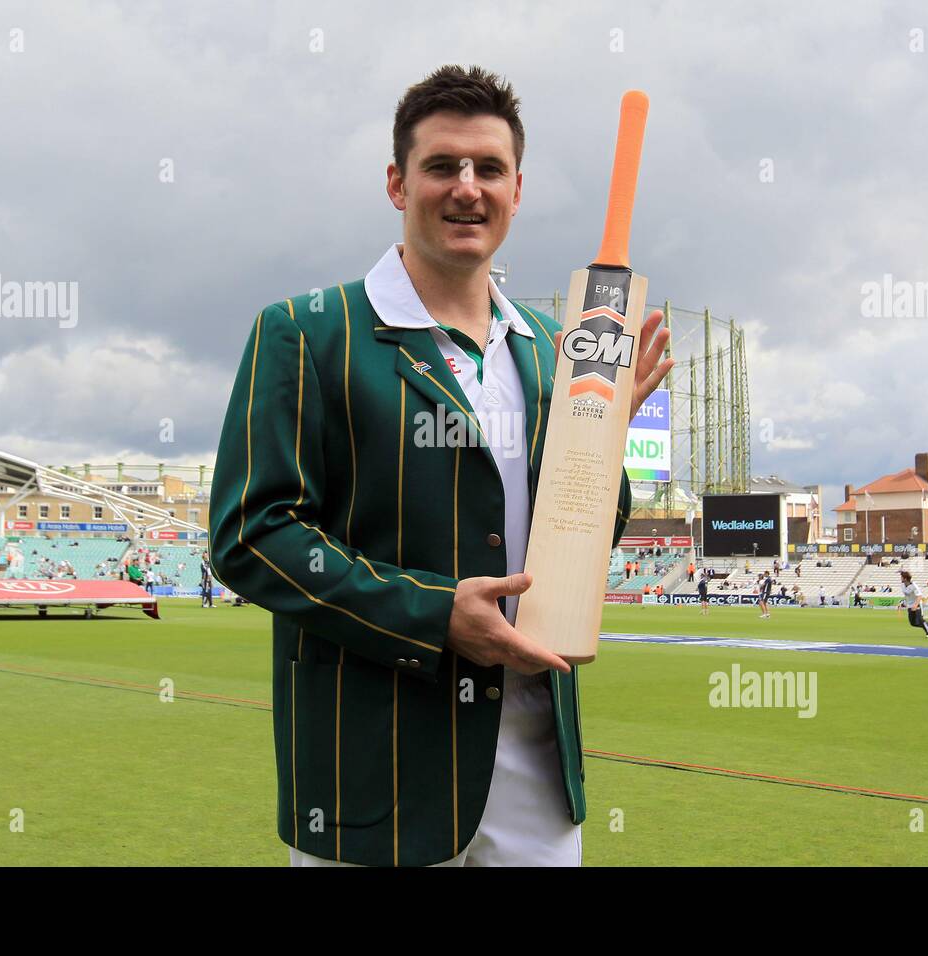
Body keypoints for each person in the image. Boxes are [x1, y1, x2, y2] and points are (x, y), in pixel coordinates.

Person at [207, 66, 670, 869]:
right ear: (397, 182)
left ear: (516, 191)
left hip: (535, 771)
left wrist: (600, 443)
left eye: (489, 169)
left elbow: (577, 540)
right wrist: (434, 615)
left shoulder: (552, 350)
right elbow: (250, 534)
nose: (468, 188)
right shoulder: (308, 332)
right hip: (372, 775)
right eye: (442, 166)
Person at [900, 570, 928, 639]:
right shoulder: (902, 585)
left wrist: (915, 605)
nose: (901, 578)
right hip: (909, 605)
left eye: (902, 577)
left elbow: (919, 596)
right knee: (913, 623)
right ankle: (927, 624)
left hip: (917, 604)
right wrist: (904, 603)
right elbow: (907, 596)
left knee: (920, 619)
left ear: (905, 578)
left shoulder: (914, 586)